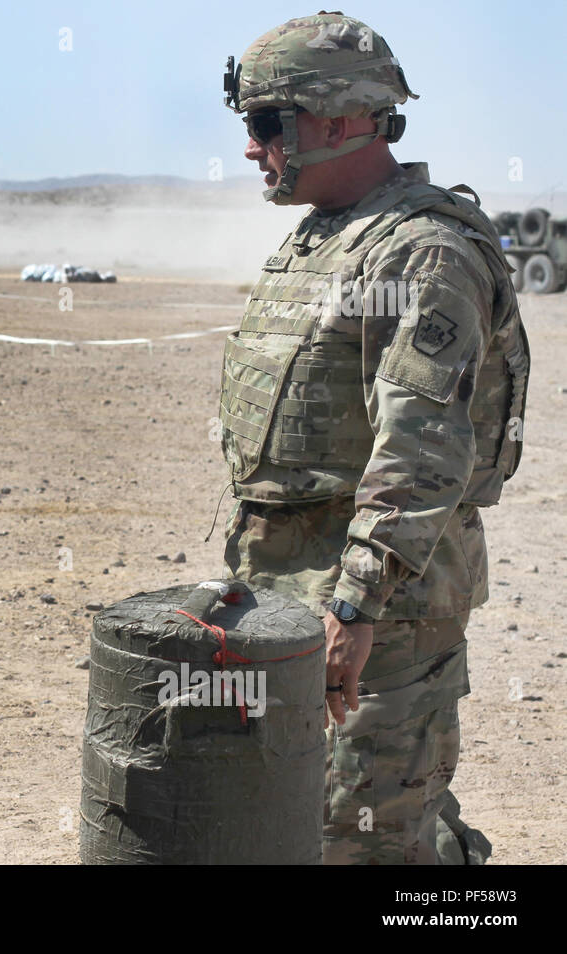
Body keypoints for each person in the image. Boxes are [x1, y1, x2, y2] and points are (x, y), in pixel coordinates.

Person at [217, 12, 528, 864]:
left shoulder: (422, 254)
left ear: (340, 119)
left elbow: (421, 446)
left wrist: (355, 605)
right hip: (291, 591)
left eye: (265, 123)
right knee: (308, 820)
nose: (252, 148)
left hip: (378, 612)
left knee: (363, 841)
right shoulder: (326, 237)